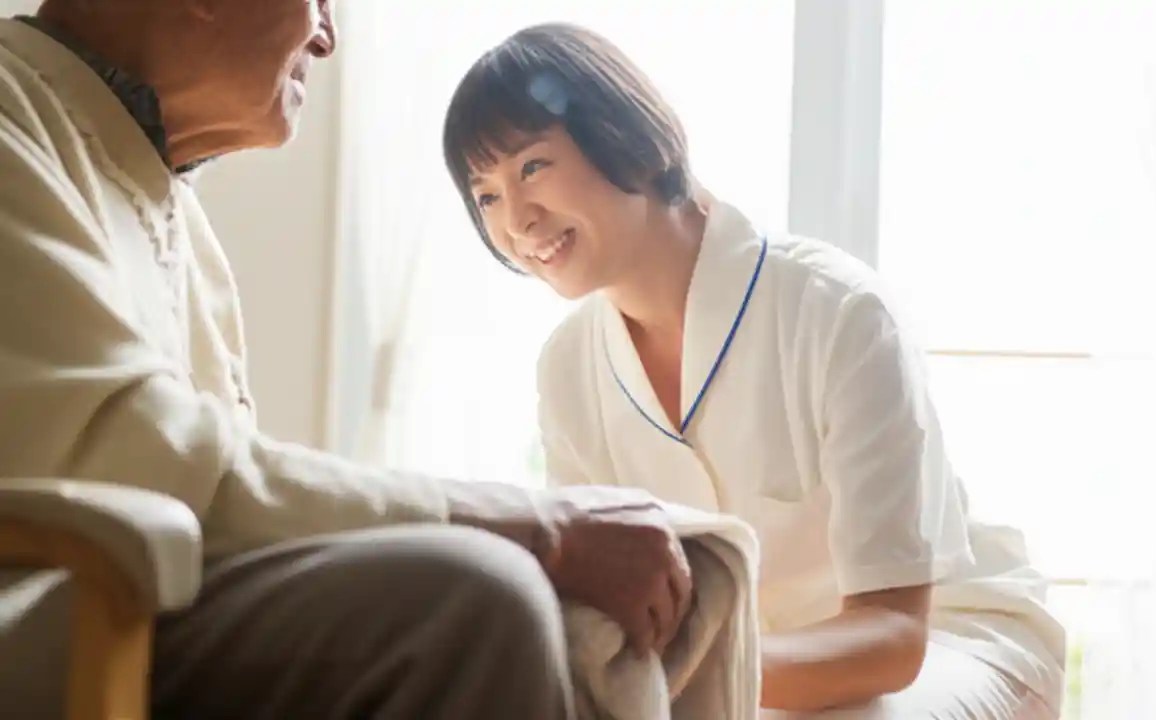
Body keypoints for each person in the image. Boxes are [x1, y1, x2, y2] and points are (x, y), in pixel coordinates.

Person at [0, 3, 695, 718]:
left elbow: (210, 482)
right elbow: (158, 467)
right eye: (321, 1)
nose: (326, 39)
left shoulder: (169, 206)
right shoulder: (13, 118)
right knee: (472, 602)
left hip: (129, 613)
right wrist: (534, 529)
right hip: (54, 625)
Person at [443, 23, 1068, 718]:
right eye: (487, 196)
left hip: (955, 635)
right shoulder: (568, 368)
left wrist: (688, 674)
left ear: (627, 139)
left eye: (532, 167)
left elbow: (893, 638)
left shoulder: (837, 310)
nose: (518, 220)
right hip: (750, 671)